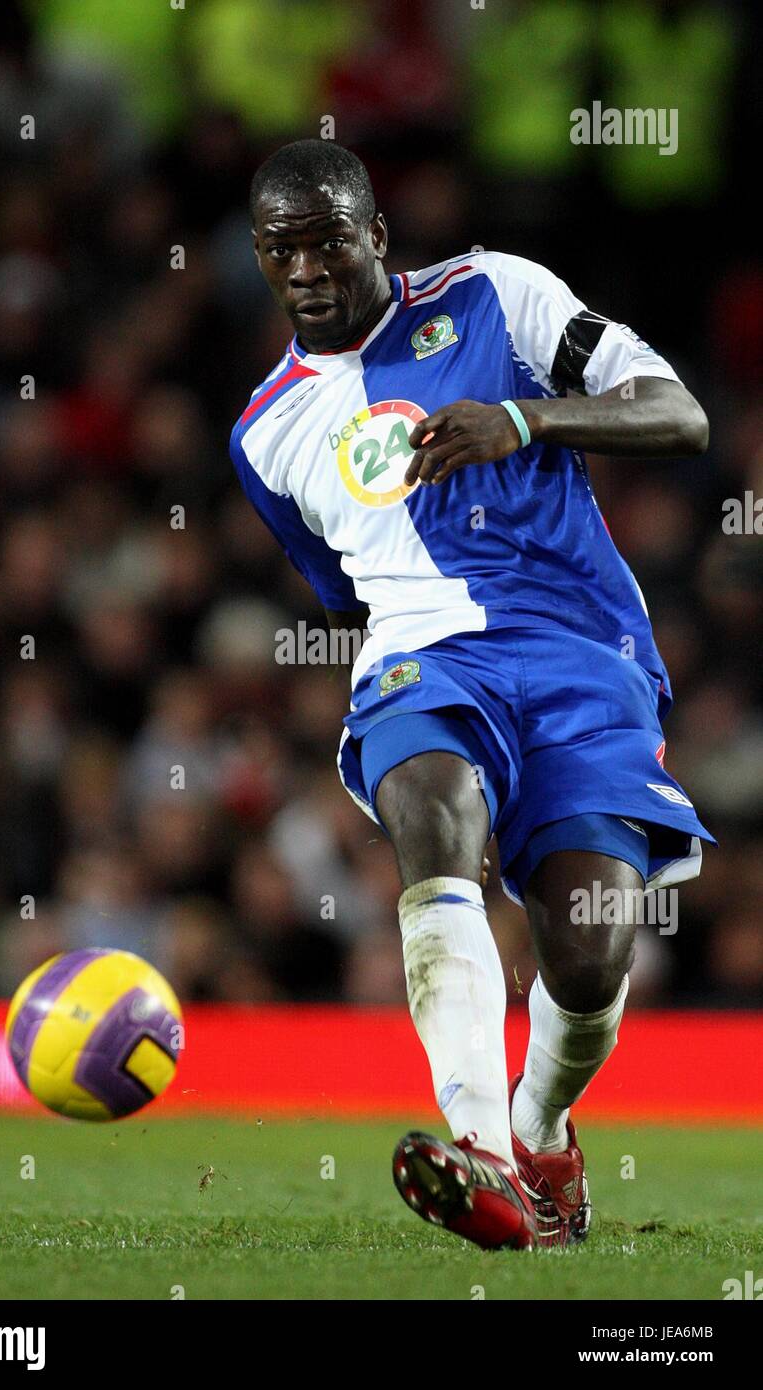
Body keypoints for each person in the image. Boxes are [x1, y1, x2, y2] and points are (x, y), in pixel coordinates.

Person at [230, 139, 713, 1249]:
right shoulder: (265, 433)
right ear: (259, 257)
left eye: (328, 241)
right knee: (432, 815)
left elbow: (679, 415)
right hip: (422, 651)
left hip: (581, 654)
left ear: (375, 237)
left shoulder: (499, 292)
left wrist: (528, 418)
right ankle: (481, 1149)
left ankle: (541, 1128)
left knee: (587, 954)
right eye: (281, 248)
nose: (306, 267)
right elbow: (345, 583)